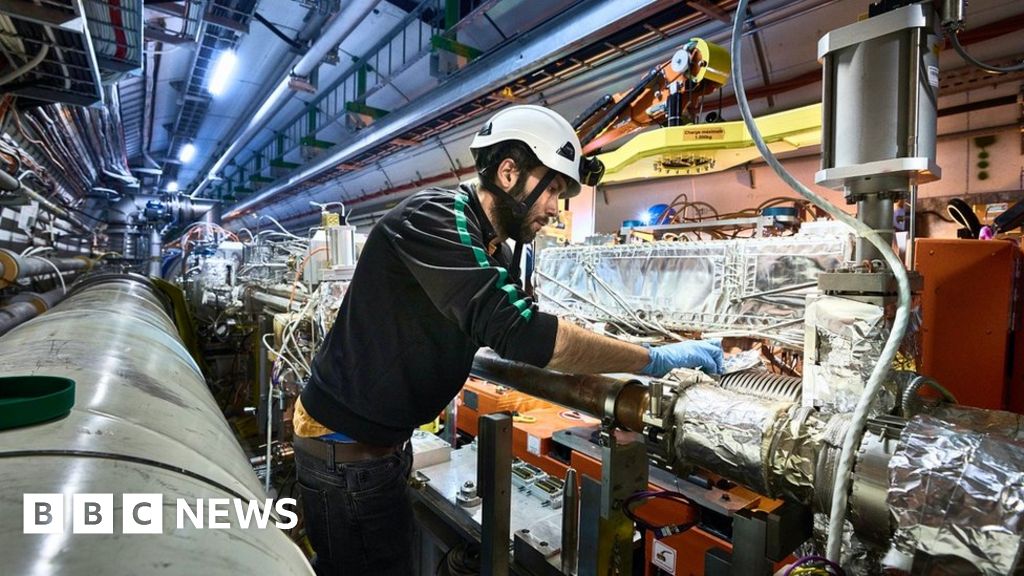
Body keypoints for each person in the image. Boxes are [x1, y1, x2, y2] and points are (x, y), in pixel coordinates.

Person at [292, 104, 724, 575]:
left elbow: (520, 324)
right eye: (553, 190)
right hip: (346, 452)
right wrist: (652, 359)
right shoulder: (438, 217)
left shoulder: (495, 248)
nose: (555, 209)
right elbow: (526, 336)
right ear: (509, 172)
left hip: (378, 448)